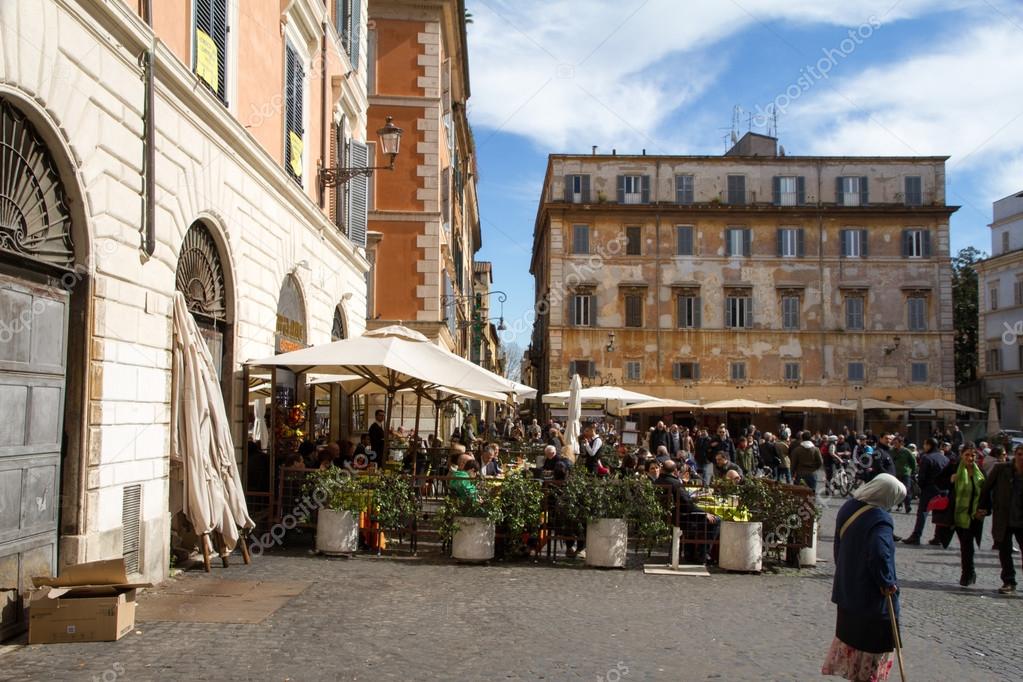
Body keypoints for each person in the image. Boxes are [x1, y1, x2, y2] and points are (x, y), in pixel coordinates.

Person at [822, 474, 906, 682]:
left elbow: (838, 546)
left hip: (848, 590)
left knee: (855, 647)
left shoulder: (849, 507)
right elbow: (880, 553)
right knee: (870, 655)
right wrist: (887, 581)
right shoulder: (880, 519)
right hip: (871, 600)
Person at [977, 445, 1023, 594]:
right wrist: (984, 508)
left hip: (1021, 518)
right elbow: (986, 489)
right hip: (1003, 517)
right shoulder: (1001, 469)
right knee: (1005, 552)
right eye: (1019, 454)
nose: (1021, 457)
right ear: (1014, 455)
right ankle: (1009, 581)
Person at [656, 460, 720, 564]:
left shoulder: (657, 482)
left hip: (667, 518)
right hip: (679, 519)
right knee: (716, 520)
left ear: (662, 469)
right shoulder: (675, 483)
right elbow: (688, 505)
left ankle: (690, 554)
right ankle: (702, 555)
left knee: (694, 520)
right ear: (675, 471)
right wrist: (704, 513)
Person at [948, 446, 985, 587]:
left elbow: (986, 492)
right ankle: (968, 572)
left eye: (973, 455)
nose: (970, 458)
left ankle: (968, 573)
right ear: (962, 455)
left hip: (974, 515)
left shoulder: (980, 472)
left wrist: (984, 510)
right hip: (958, 514)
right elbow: (940, 482)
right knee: (965, 544)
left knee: (967, 545)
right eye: (967, 455)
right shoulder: (954, 468)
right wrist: (951, 480)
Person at [891, 436, 917, 513]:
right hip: (896, 473)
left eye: (896, 443)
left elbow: (913, 462)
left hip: (906, 473)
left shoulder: (906, 451)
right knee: (898, 490)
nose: (894, 444)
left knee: (906, 489)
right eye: (893, 443)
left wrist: (913, 471)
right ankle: (899, 505)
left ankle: (908, 506)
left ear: (901, 443)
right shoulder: (891, 451)